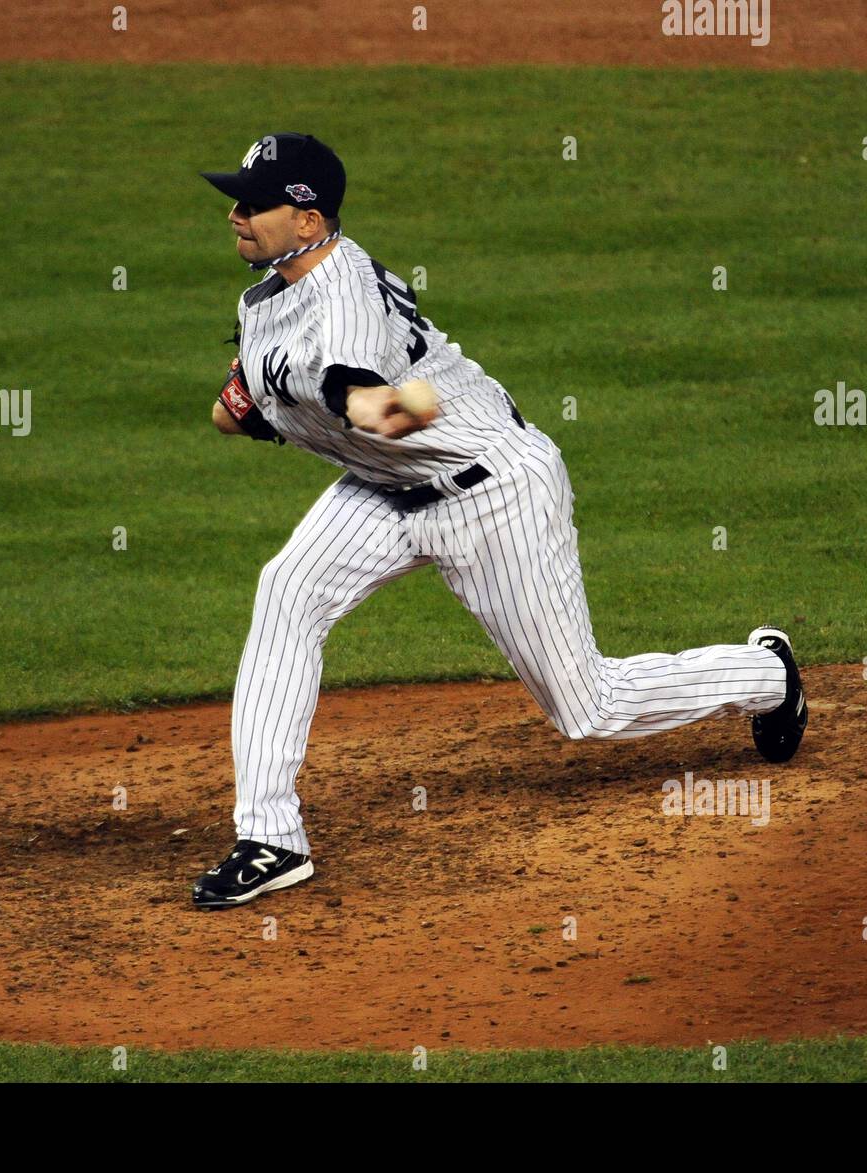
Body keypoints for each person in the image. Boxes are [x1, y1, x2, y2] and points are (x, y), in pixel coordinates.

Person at [190, 133, 807, 909]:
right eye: (236, 200)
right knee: (287, 591)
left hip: (492, 490)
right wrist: (261, 404)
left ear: (310, 222)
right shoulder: (266, 299)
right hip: (383, 486)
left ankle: (768, 676)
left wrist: (375, 405)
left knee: (587, 706)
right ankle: (271, 838)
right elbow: (238, 408)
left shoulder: (341, 289)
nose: (236, 215)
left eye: (256, 203)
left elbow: (357, 383)